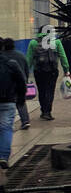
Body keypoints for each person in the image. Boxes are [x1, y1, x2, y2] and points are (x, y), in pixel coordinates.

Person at [26, 25, 68, 121]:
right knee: (50, 91)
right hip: (52, 71)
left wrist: (26, 72)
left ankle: (43, 111)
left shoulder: (33, 42)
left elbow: (29, 59)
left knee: (42, 91)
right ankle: (47, 112)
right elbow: (63, 57)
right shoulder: (56, 42)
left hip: (39, 71)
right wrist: (66, 70)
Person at [0, 41, 27, 172]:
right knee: (6, 129)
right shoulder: (11, 64)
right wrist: (21, 98)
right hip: (8, 101)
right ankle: (3, 156)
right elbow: (21, 82)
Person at [1, 39, 31, 130]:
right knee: (21, 102)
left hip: (8, 86)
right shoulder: (21, 55)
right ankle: (25, 121)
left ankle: (7, 123)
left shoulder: (4, 56)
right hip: (20, 83)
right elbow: (26, 69)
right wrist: (25, 80)